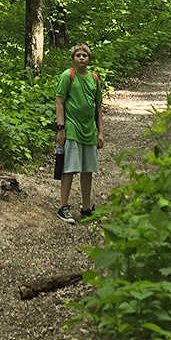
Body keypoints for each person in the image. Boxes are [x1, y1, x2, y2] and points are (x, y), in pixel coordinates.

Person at [55, 42, 104, 224]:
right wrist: (61, 128)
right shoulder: (68, 76)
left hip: (89, 129)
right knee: (69, 167)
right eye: (78, 55)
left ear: (89, 59)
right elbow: (59, 102)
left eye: (85, 55)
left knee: (87, 169)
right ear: (73, 58)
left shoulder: (94, 79)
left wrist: (101, 132)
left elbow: (98, 108)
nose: (81, 58)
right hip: (72, 127)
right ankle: (63, 206)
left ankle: (86, 207)